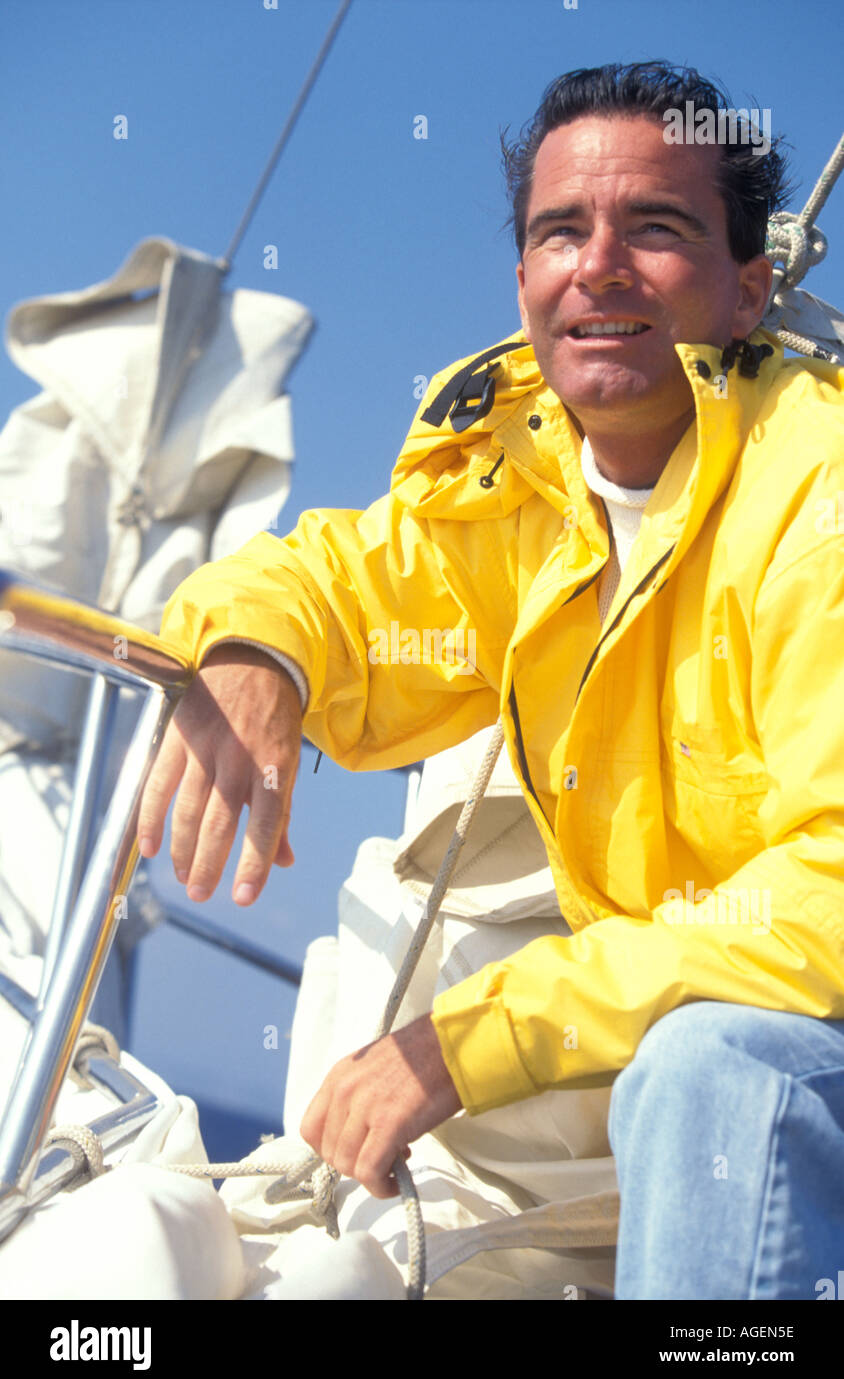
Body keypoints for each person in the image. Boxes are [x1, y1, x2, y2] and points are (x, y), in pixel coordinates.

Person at [137, 62, 844, 1299]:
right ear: (523, 282)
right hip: (675, 1022)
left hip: (776, 1049)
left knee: (708, 1072)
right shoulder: (525, 494)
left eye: (659, 229)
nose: (599, 264)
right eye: (559, 231)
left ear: (750, 287)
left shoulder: (818, 496)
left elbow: (823, 899)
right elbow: (347, 582)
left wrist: (474, 1038)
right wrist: (253, 649)